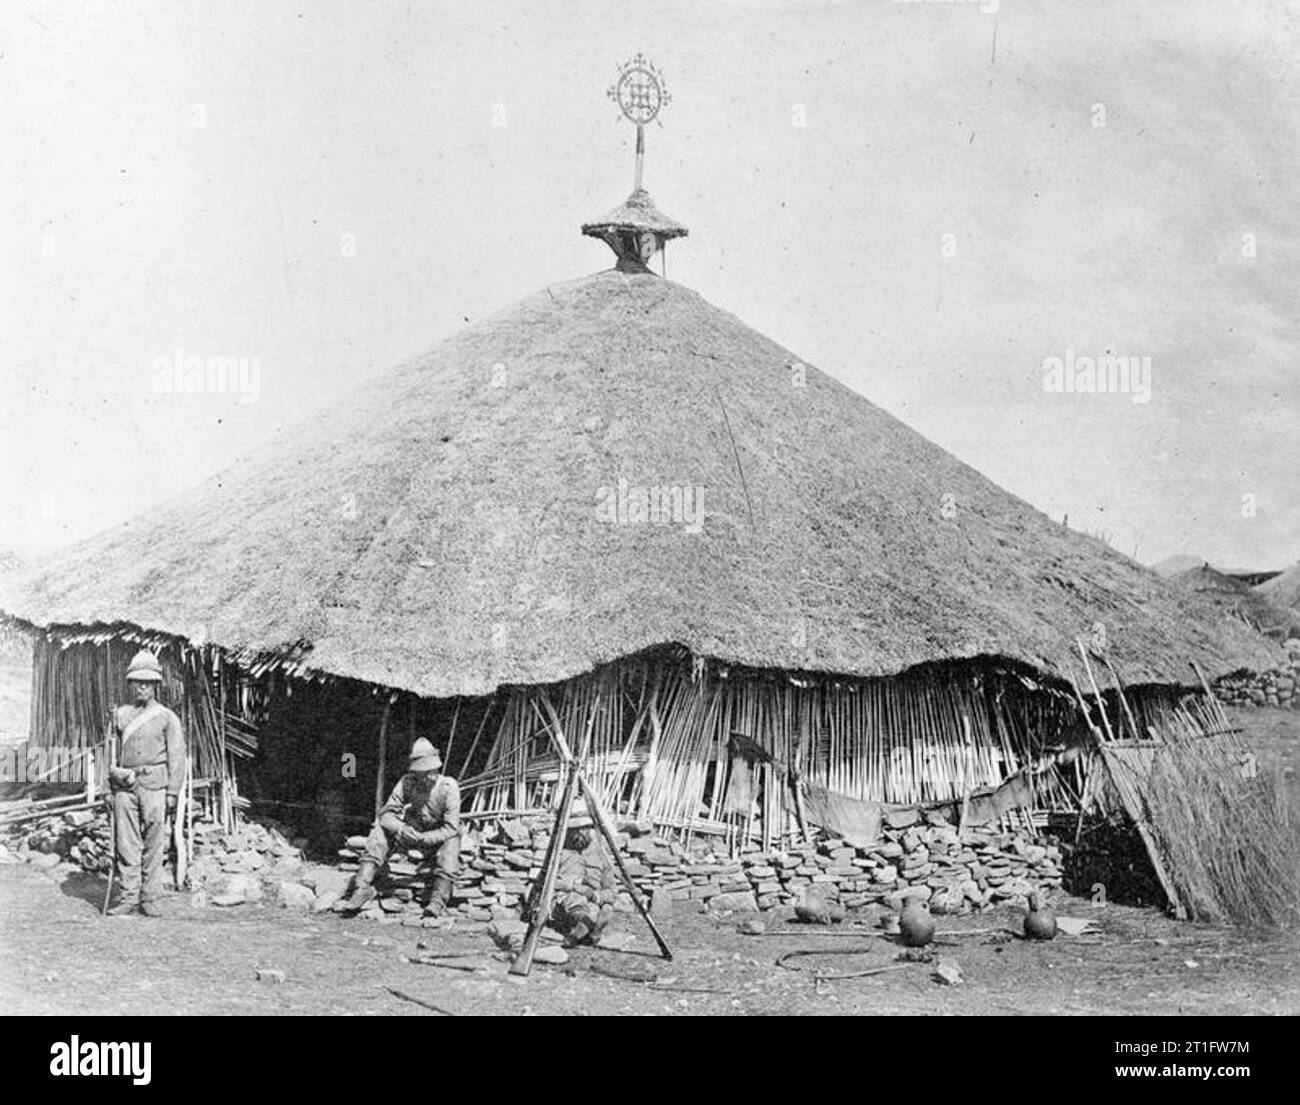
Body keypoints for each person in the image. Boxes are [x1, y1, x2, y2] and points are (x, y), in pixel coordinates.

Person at [337, 738, 460, 915]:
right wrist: (401, 829)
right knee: (379, 831)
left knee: (451, 843)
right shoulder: (407, 782)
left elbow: (451, 828)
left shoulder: (449, 787)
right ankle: (361, 888)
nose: (428, 776)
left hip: (436, 838)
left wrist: (425, 838)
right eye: (423, 772)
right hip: (410, 832)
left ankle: (438, 901)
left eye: (432, 771)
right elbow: (386, 814)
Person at [106, 649, 186, 918]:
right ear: (131, 684)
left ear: (155, 685)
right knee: (126, 843)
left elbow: (177, 756)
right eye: (137, 682)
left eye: (147, 682)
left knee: (154, 842)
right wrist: (111, 783)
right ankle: (128, 897)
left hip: (155, 785)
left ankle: (150, 898)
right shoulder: (121, 715)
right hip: (125, 786)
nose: (142, 686)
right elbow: (111, 752)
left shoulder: (166, 717)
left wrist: (173, 792)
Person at [551, 820, 616, 946]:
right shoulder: (560, 853)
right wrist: (573, 886)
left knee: (606, 909)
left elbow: (612, 892)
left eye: (584, 829)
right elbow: (547, 883)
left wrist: (596, 896)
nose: (580, 834)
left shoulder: (601, 856)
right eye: (575, 830)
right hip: (567, 901)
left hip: (593, 901)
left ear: (590, 830)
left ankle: (586, 935)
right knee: (588, 909)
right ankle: (579, 935)